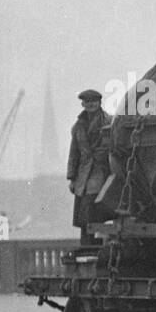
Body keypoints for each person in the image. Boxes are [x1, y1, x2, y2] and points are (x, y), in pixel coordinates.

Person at [67, 89, 112, 245]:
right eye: (87, 102)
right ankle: (87, 242)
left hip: (102, 169)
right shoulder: (79, 126)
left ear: (99, 103)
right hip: (84, 172)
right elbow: (74, 154)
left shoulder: (109, 121)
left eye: (94, 101)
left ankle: (91, 242)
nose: (91, 104)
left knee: (91, 204)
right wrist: (72, 178)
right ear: (83, 104)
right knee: (83, 209)